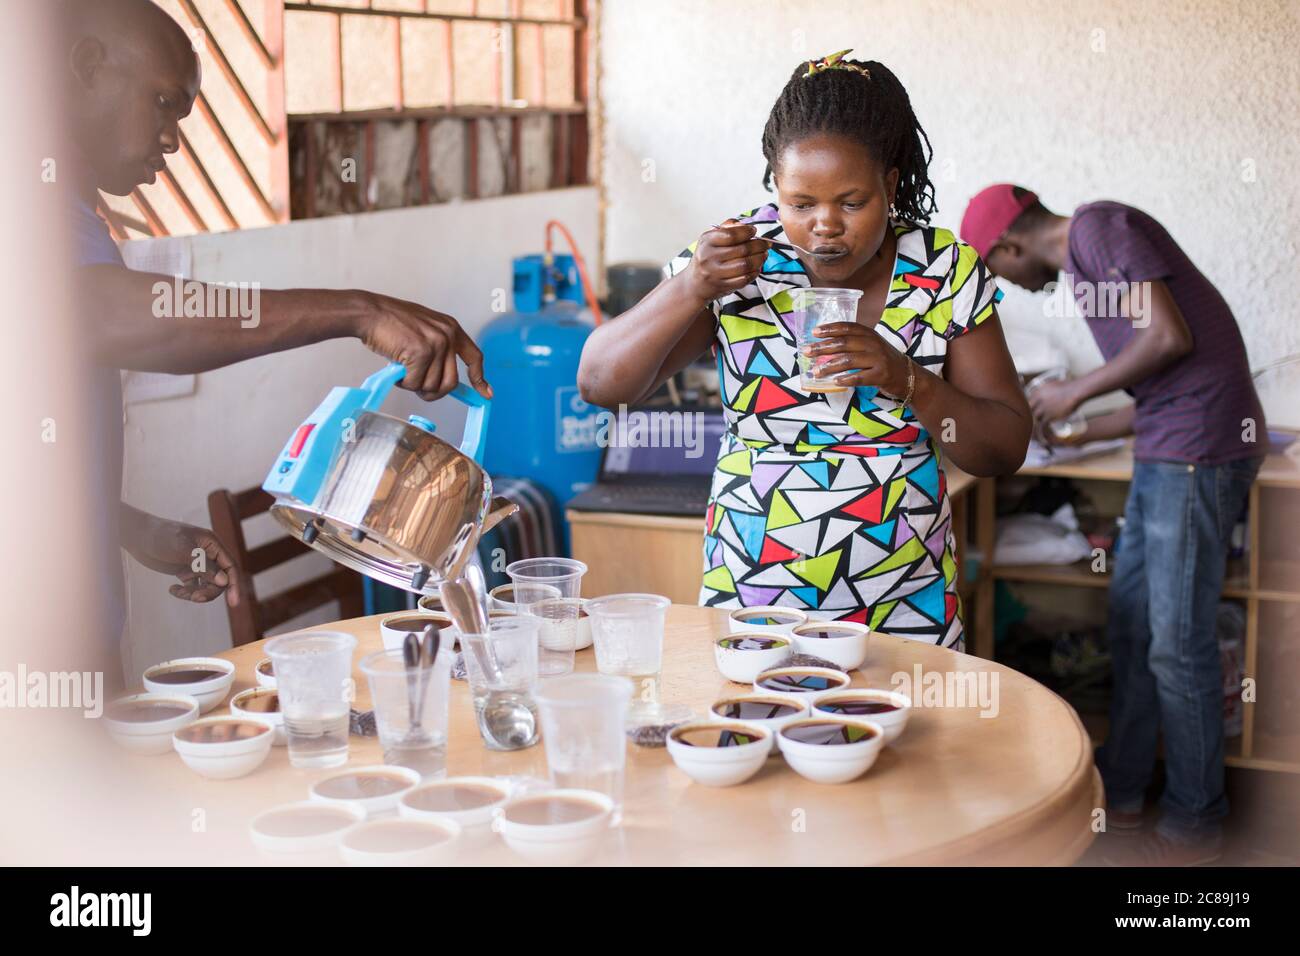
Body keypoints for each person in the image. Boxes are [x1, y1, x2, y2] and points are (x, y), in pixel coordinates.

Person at [58, 0, 489, 648]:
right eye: (163, 103)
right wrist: (357, 311)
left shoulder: (72, 217)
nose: (173, 139)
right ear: (89, 67)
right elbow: (105, 316)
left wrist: (128, 528)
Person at [579, 51, 1030, 647]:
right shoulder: (739, 259)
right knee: (755, 735)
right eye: (801, 203)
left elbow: (1003, 448)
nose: (826, 225)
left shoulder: (942, 269)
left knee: (916, 740)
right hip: (757, 596)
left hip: (903, 603)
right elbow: (600, 385)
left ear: (890, 186)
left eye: (851, 202)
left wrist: (906, 378)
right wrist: (694, 285)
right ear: (776, 188)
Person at [960, 184, 1266, 865]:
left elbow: (1168, 337)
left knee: (1176, 643)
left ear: (1008, 247)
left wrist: (1071, 391)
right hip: (1173, 446)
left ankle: (1195, 825)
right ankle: (1124, 788)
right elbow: (1163, 385)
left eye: (993, 272)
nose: (1001, 286)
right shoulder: (1088, 269)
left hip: (1200, 455)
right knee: (1129, 624)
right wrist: (1078, 432)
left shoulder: (1099, 228)